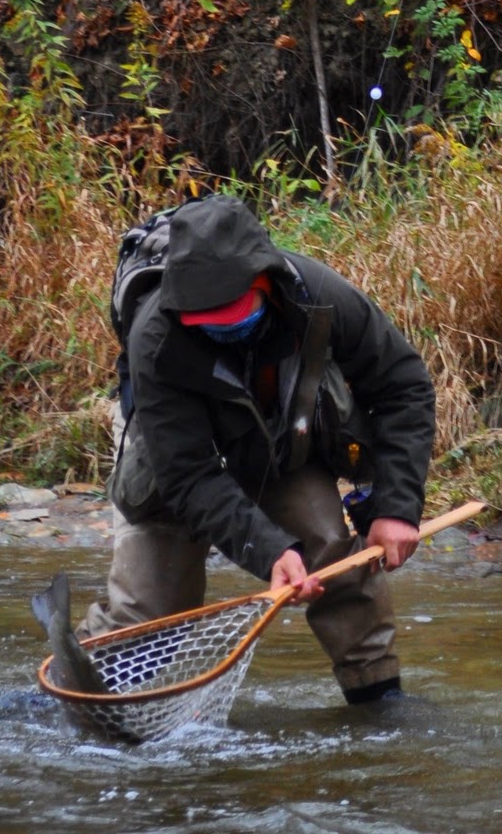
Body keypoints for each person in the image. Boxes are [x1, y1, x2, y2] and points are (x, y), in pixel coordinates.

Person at [81, 194, 437, 702]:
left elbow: (404, 385)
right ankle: (76, 697)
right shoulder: (154, 338)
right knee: (153, 611)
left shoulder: (317, 295)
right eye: (206, 321)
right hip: (176, 466)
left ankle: (378, 699)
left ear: (267, 281)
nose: (221, 329)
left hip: (278, 442)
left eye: (231, 314)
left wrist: (398, 506)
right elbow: (190, 477)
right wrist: (271, 551)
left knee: (334, 552)